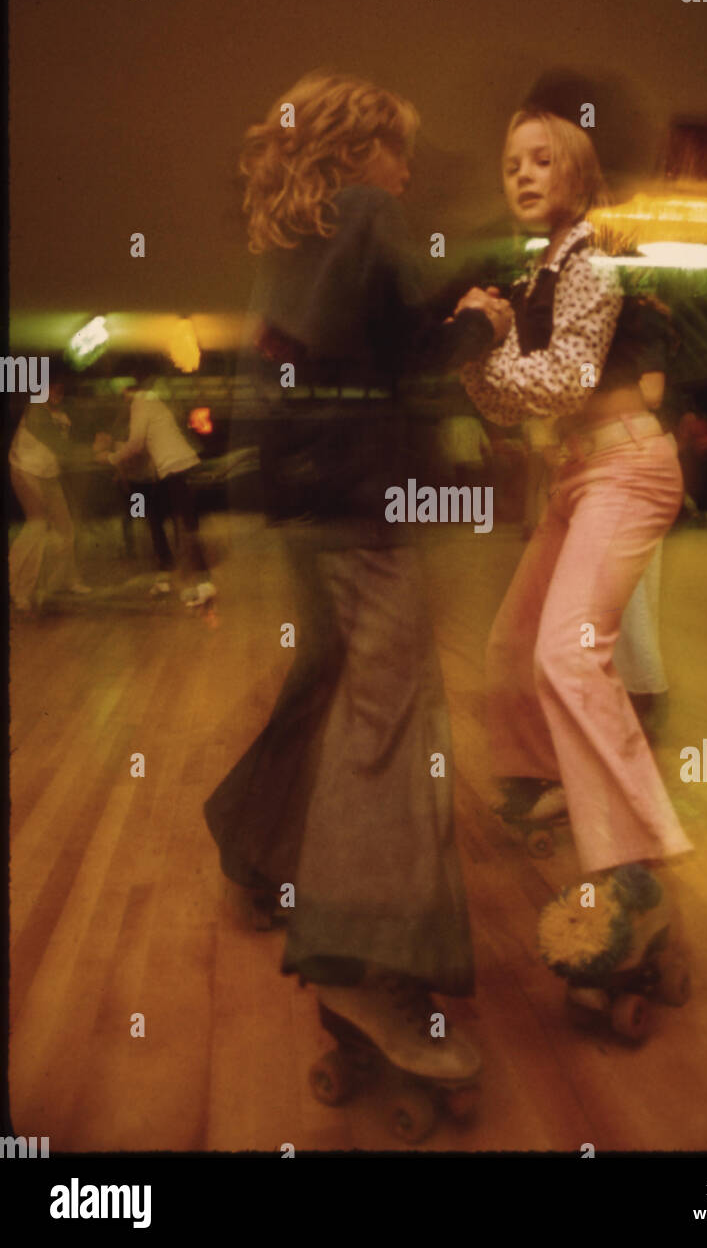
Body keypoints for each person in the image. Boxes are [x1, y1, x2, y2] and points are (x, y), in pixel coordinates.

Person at [202, 71, 507, 1095]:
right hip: (361, 497)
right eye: (396, 149)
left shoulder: (288, 238)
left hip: (296, 496)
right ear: (353, 150)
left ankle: (251, 850)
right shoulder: (372, 211)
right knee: (391, 715)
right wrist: (480, 320)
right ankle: (364, 971)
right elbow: (415, 351)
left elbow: (338, 352)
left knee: (329, 674)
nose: (406, 170)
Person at [456, 96, 692, 1008]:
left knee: (566, 651)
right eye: (512, 160)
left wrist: (475, 353)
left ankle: (633, 867)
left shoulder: (589, 268)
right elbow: (511, 405)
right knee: (514, 647)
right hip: (577, 474)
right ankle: (537, 787)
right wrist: (481, 349)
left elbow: (556, 382)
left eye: (542, 159)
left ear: (579, 176)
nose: (521, 172)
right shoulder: (541, 273)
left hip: (628, 469)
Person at [95, 364, 215, 606]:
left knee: (185, 524)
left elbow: (137, 443)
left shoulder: (141, 404)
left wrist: (110, 458)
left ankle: (204, 583)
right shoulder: (153, 403)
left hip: (174, 466)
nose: (123, 398)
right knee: (178, 521)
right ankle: (185, 579)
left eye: (124, 393)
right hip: (176, 465)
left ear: (130, 391)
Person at [8, 375, 91, 611]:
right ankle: (18, 589)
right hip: (26, 470)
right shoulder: (35, 410)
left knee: (66, 529)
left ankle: (67, 579)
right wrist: (94, 452)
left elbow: (65, 448)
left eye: (61, 388)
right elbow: (58, 444)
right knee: (37, 525)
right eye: (53, 387)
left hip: (49, 474)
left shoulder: (62, 414)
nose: (57, 392)